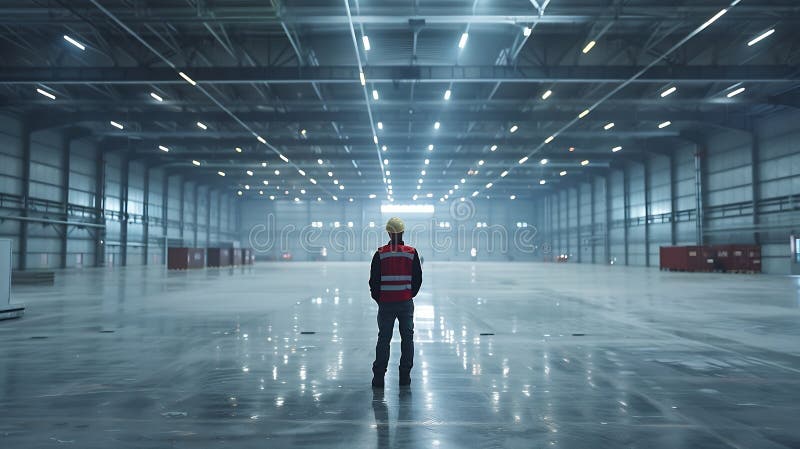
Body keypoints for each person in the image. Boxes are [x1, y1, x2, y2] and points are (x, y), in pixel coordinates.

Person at [369, 217, 423, 387]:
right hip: (405, 302)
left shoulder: (380, 253)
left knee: (384, 338)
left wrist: (380, 298)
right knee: (407, 338)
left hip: (385, 303)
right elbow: (418, 279)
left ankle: (379, 377)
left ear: (388, 233)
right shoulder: (411, 252)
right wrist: (408, 294)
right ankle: (405, 377)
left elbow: (374, 281)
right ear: (402, 232)